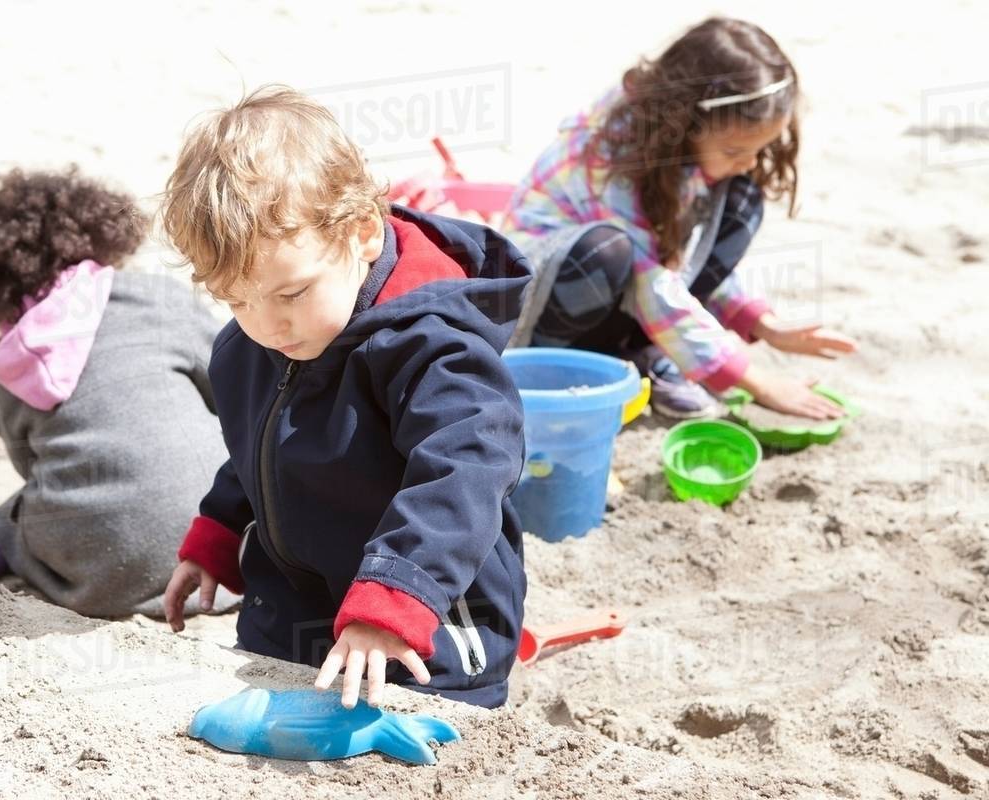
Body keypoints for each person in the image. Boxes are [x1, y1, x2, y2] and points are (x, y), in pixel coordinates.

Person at [160, 86, 529, 709]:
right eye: (236, 300)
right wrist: (220, 529)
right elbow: (263, 441)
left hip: (426, 616)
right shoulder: (254, 343)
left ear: (361, 233)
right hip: (294, 606)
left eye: (291, 293)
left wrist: (395, 598)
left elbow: (465, 472)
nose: (266, 324)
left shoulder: (434, 348)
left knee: (413, 737)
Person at [0, 167, 232, 618]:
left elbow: (28, 462)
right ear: (100, 232)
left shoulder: (15, 354)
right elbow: (228, 385)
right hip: (219, 558)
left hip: (96, 577)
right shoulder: (155, 298)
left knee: (35, 507)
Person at [503, 17, 857, 419]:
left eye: (760, 148)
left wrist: (763, 324)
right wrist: (757, 381)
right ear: (686, 123)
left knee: (741, 201)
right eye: (733, 150)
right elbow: (651, 282)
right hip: (542, 299)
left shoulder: (683, 158)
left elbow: (681, 257)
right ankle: (548, 373)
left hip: (627, 295)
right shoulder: (609, 152)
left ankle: (645, 356)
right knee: (607, 251)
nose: (750, 162)